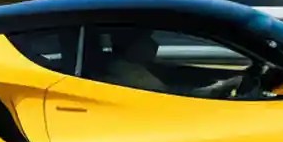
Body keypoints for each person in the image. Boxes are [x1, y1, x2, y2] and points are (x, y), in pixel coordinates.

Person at [104, 29, 246, 99]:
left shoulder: (136, 67)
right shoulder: (130, 73)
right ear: (131, 45)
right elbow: (172, 96)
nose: (155, 44)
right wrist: (219, 88)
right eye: (146, 39)